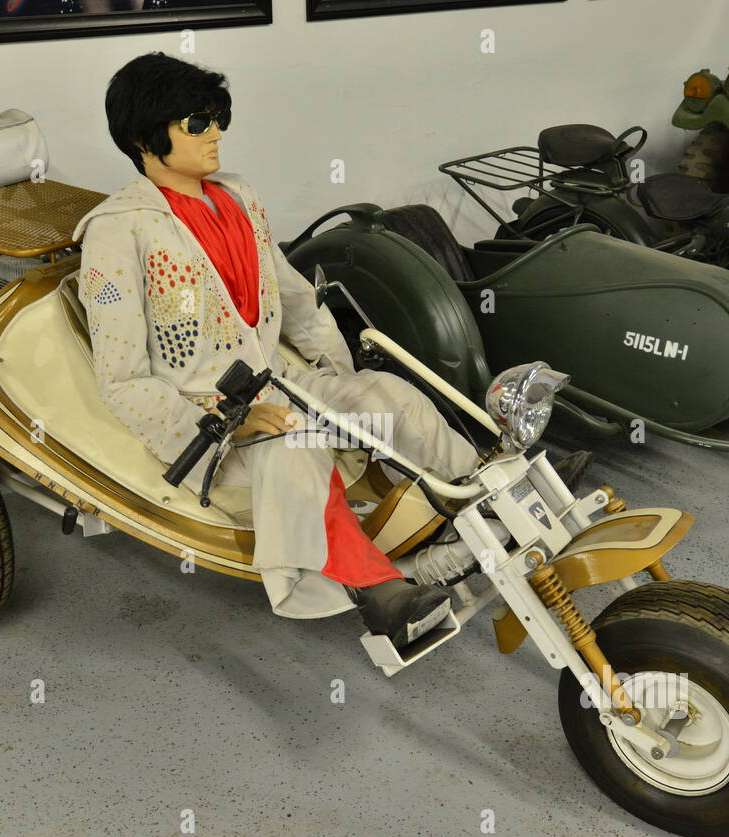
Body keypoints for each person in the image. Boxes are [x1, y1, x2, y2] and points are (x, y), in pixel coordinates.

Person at [72, 52, 484, 649]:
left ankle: (485, 503)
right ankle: (379, 590)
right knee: (296, 445)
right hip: (210, 416)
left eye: (217, 118)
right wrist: (219, 424)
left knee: (387, 393)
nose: (214, 134)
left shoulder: (238, 196)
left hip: (280, 380)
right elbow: (122, 377)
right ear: (143, 137)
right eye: (195, 122)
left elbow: (296, 298)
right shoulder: (118, 230)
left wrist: (340, 381)